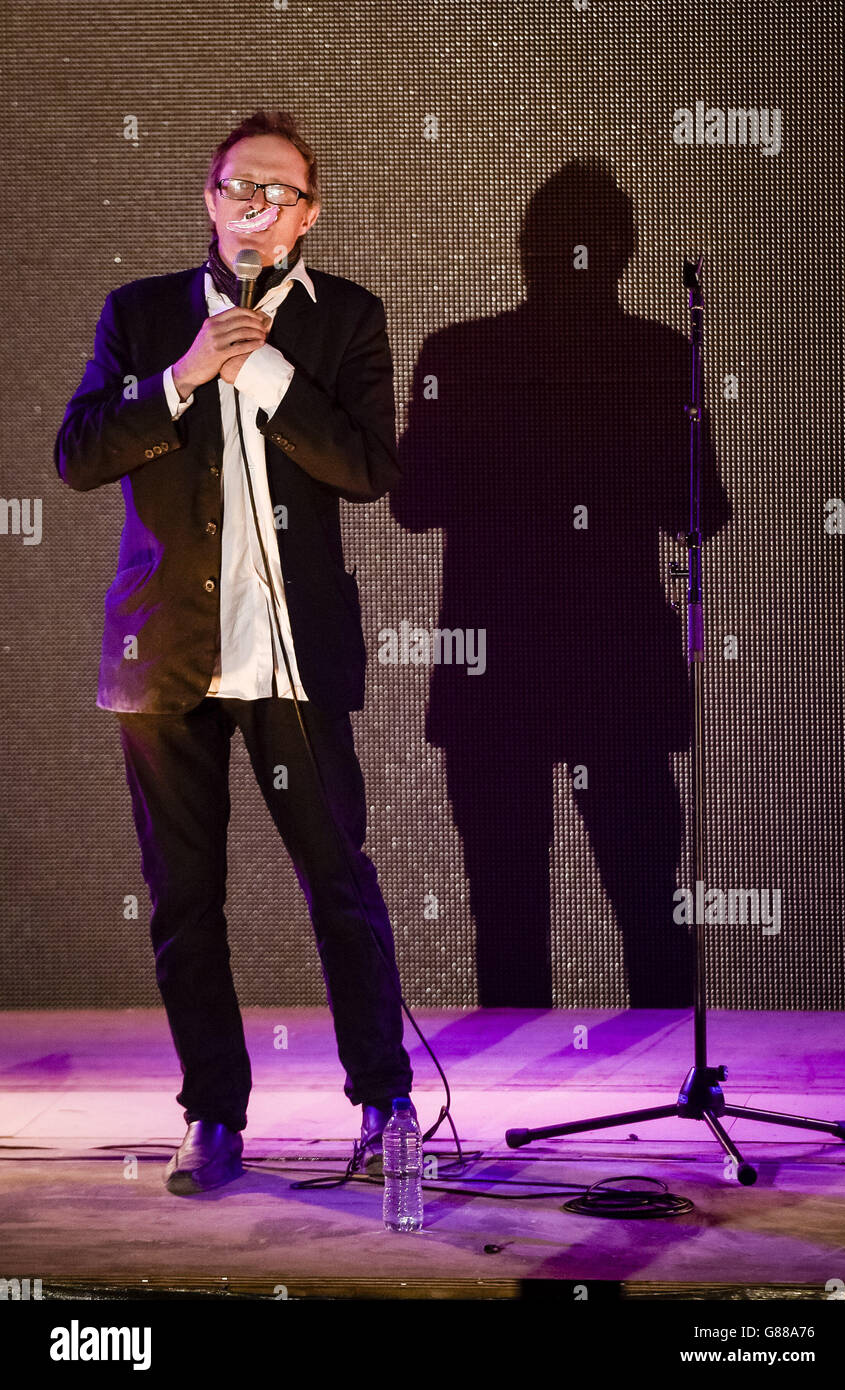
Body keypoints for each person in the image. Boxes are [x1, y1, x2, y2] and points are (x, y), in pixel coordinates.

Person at [55, 110, 414, 1193]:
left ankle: (385, 1101)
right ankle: (213, 1115)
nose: (256, 209)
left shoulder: (346, 317)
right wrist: (181, 377)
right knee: (183, 896)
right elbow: (77, 453)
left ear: (311, 212)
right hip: (166, 657)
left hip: (292, 656)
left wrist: (266, 379)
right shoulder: (143, 314)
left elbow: (366, 468)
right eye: (237, 188)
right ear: (209, 200)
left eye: (280, 193)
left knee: (337, 881)